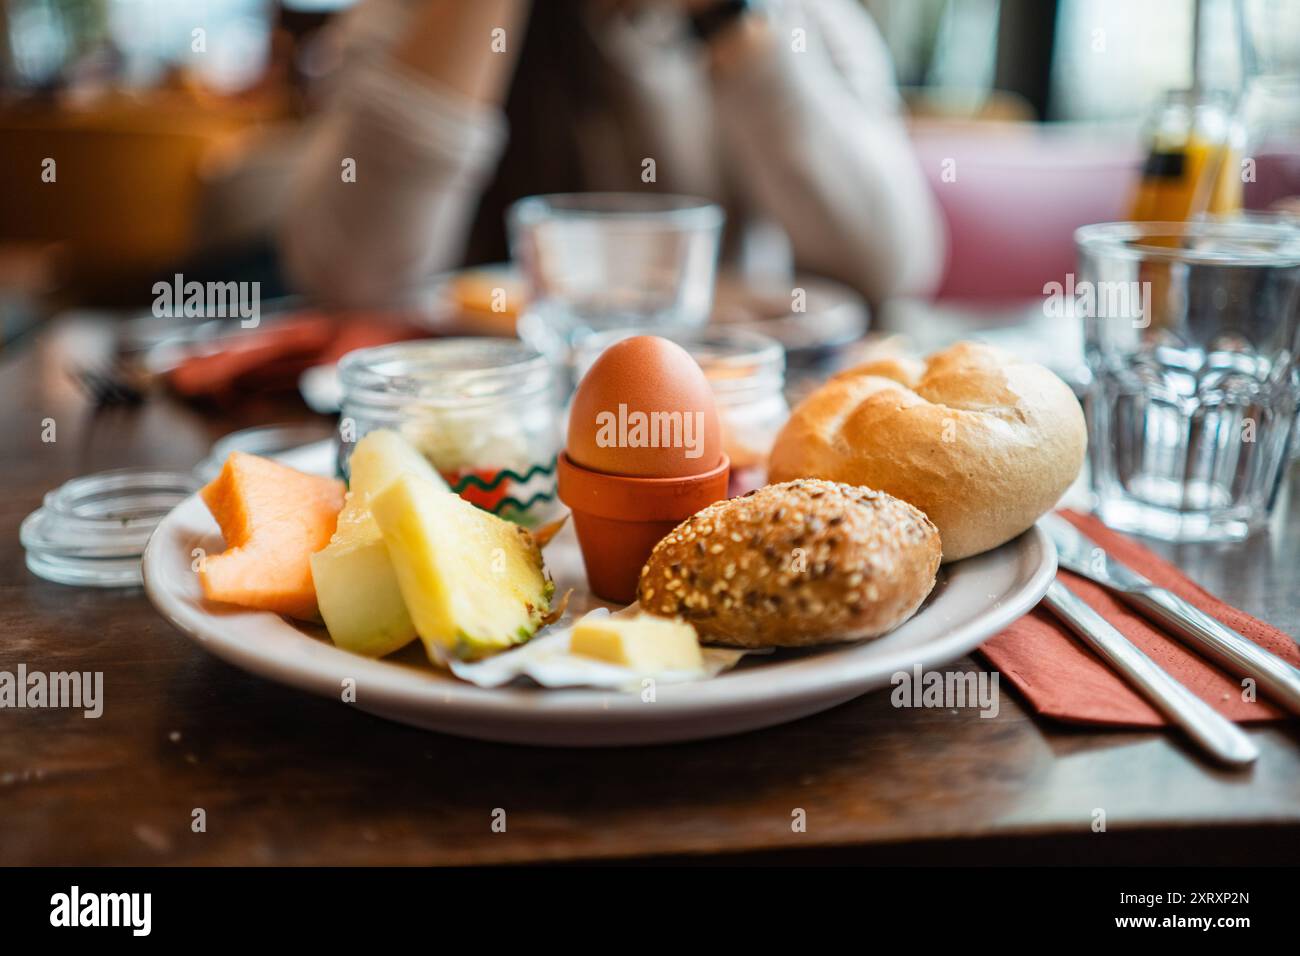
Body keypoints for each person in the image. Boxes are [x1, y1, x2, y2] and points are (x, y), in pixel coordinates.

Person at [279, 0, 945, 309]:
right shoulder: (403, 16)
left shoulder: (805, 21)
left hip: (726, 424)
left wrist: (732, 22)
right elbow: (348, 279)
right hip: (477, 429)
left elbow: (892, 266)